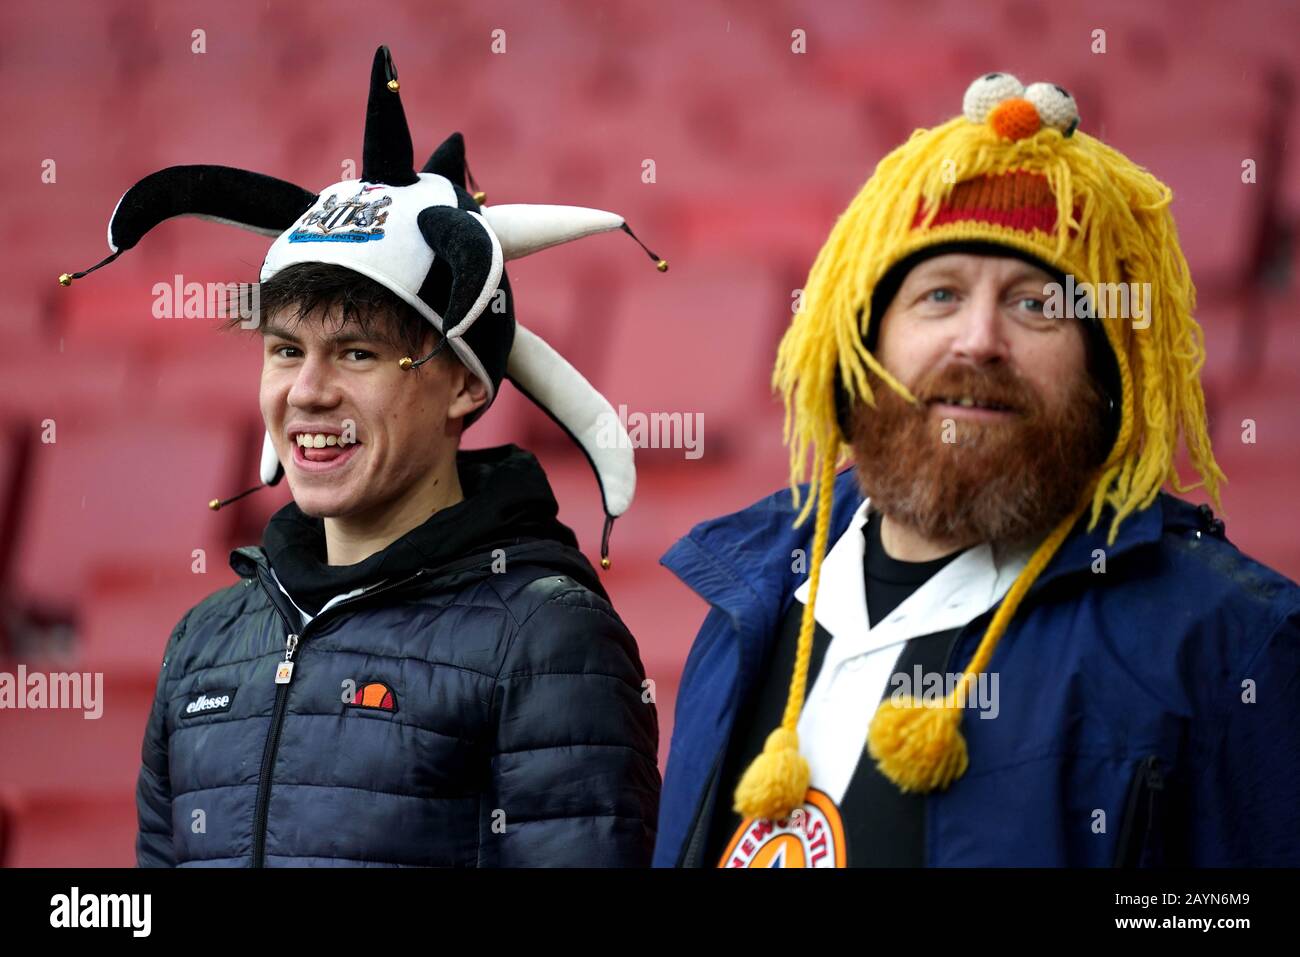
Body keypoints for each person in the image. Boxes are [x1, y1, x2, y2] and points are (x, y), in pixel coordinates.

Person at [654, 72, 1300, 867]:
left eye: (1037, 305)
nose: (980, 340)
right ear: (863, 346)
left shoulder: (1227, 644)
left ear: (1107, 377)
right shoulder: (745, 602)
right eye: (939, 294)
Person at [60, 46, 663, 867]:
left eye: (356, 354)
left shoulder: (551, 642)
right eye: (283, 350)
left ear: (464, 386)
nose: (305, 392)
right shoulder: (202, 644)